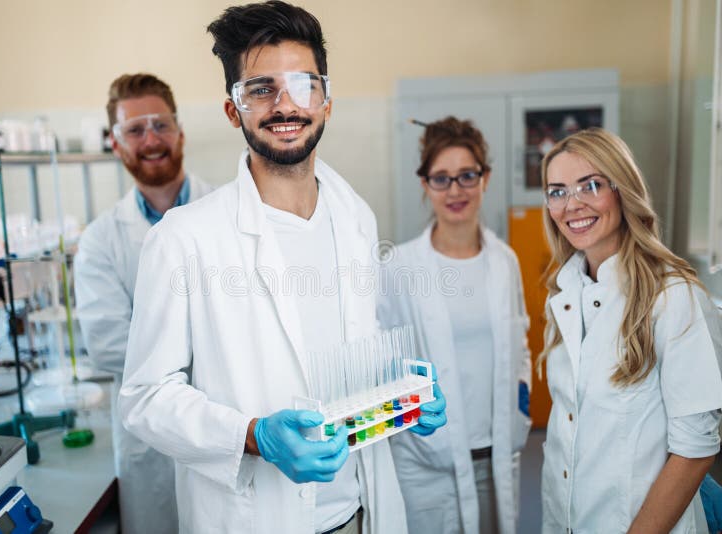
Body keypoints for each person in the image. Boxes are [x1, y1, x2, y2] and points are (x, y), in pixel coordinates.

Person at [118, 2, 446, 533]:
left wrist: (401, 391)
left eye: (302, 85)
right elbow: (145, 397)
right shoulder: (183, 239)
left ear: (326, 100)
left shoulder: (356, 218)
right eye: (261, 89)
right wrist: (253, 436)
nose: (285, 104)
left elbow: (354, 344)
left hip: (361, 512)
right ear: (234, 110)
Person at [538, 127, 722, 533]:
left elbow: (695, 450)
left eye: (590, 185)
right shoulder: (564, 293)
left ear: (622, 190)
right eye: (557, 191)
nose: (572, 204)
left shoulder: (674, 297)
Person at [74, 73, 213, 534]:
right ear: (116, 144)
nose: (151, 140)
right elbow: (107, 345)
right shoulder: (101, 241)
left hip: (225, 426)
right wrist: (210, 345)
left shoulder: (230, 212)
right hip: (150, 445)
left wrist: (164, 347)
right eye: (135, 129)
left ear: (180, 131)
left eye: (161, 125)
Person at [378, 117, 531, 534]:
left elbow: (521, 345)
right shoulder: (399, 267)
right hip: (426, 463)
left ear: (486, 178)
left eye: (467, 175)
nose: (455, 190)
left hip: (497, 452)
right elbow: (383, 363)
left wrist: (521, 407)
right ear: (425, 184)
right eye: (441, 179)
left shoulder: (505, 260)